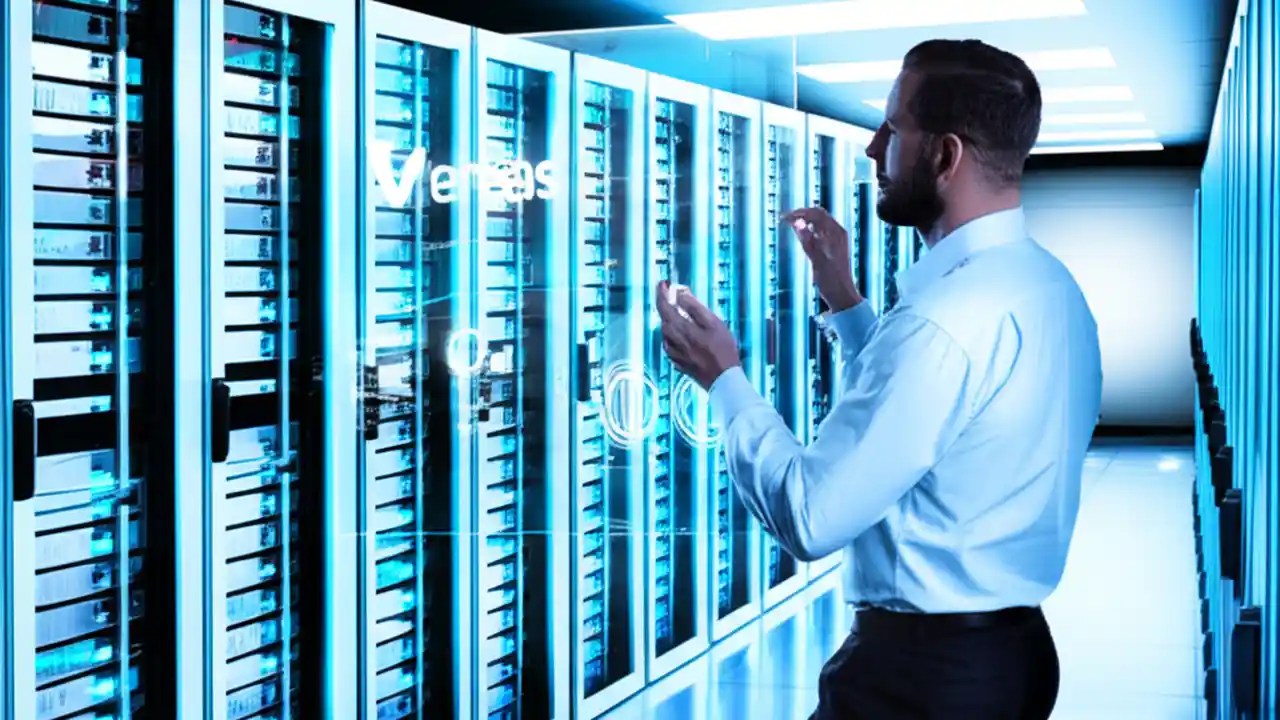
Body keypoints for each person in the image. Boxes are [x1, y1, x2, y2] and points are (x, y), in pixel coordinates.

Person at [656, 39, 1103, 719]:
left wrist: (724, 379)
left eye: (893, 128)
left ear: (945, 155)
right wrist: (844, 301)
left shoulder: (941, 321)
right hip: (1011, 658)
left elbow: (809, 516)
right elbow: (938, 431)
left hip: (921, 682)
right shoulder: (1050, 287)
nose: (873, 148)